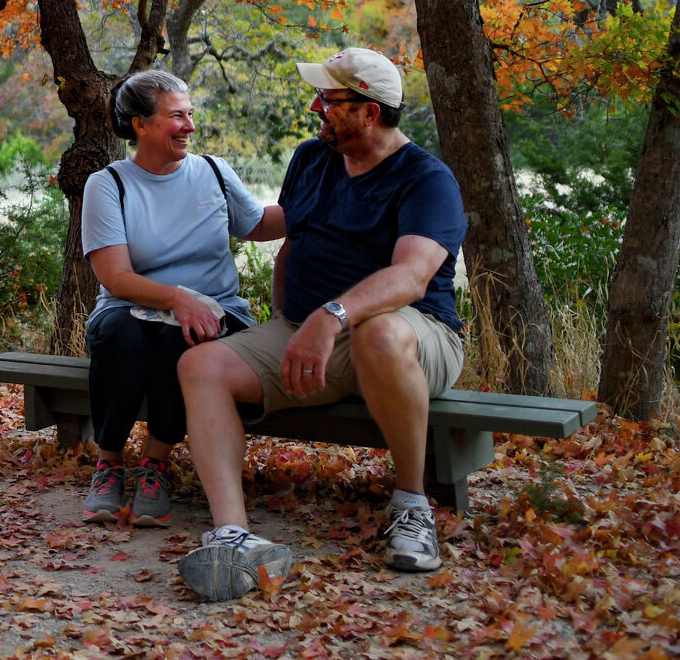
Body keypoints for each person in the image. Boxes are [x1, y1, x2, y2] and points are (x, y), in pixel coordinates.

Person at [174, 47, 467, 602]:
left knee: (379, 332)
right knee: (201, 364)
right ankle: (233, 535)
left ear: (370, 111)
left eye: (329, 100)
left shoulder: (427, 179)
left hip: (414, 334)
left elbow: (411, 277)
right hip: (310, 328)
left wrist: (329, 317)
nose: (315, 108)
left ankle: (410, 505)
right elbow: (293, 238)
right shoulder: (312, 159)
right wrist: (290, 317)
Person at [78, 69, 286, 528]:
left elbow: (257, 226)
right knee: (122, 335)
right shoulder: (108, 185)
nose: (190, 125)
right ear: (140, 124)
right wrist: (176, 297)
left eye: (190, 114)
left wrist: (315, 202)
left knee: (186, 336)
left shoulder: (212, 171)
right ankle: (109, 463)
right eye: (177, 116)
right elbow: (115, 276)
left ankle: (155, 465)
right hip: (129, 308)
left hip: (216, 309)